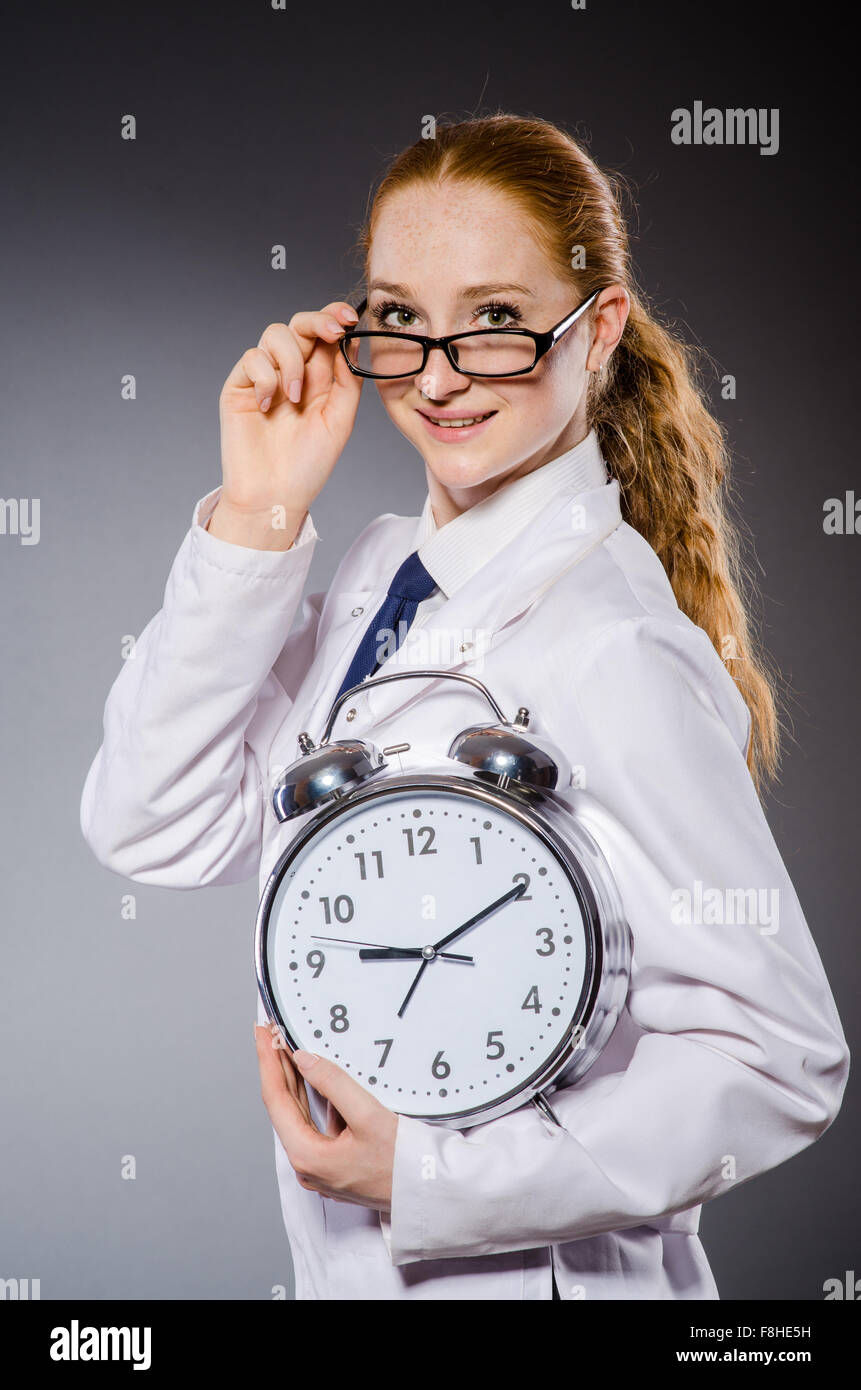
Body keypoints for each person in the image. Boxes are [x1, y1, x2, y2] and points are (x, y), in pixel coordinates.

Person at [80, 113, 849, 1300]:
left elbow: (782, 1056)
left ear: (598, 334)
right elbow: (152, 821)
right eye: (400, 318)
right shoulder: (386, 575)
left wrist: (433, 1172)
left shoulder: (614, 641)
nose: (437, 377)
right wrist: (260, 510)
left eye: (495, 319)